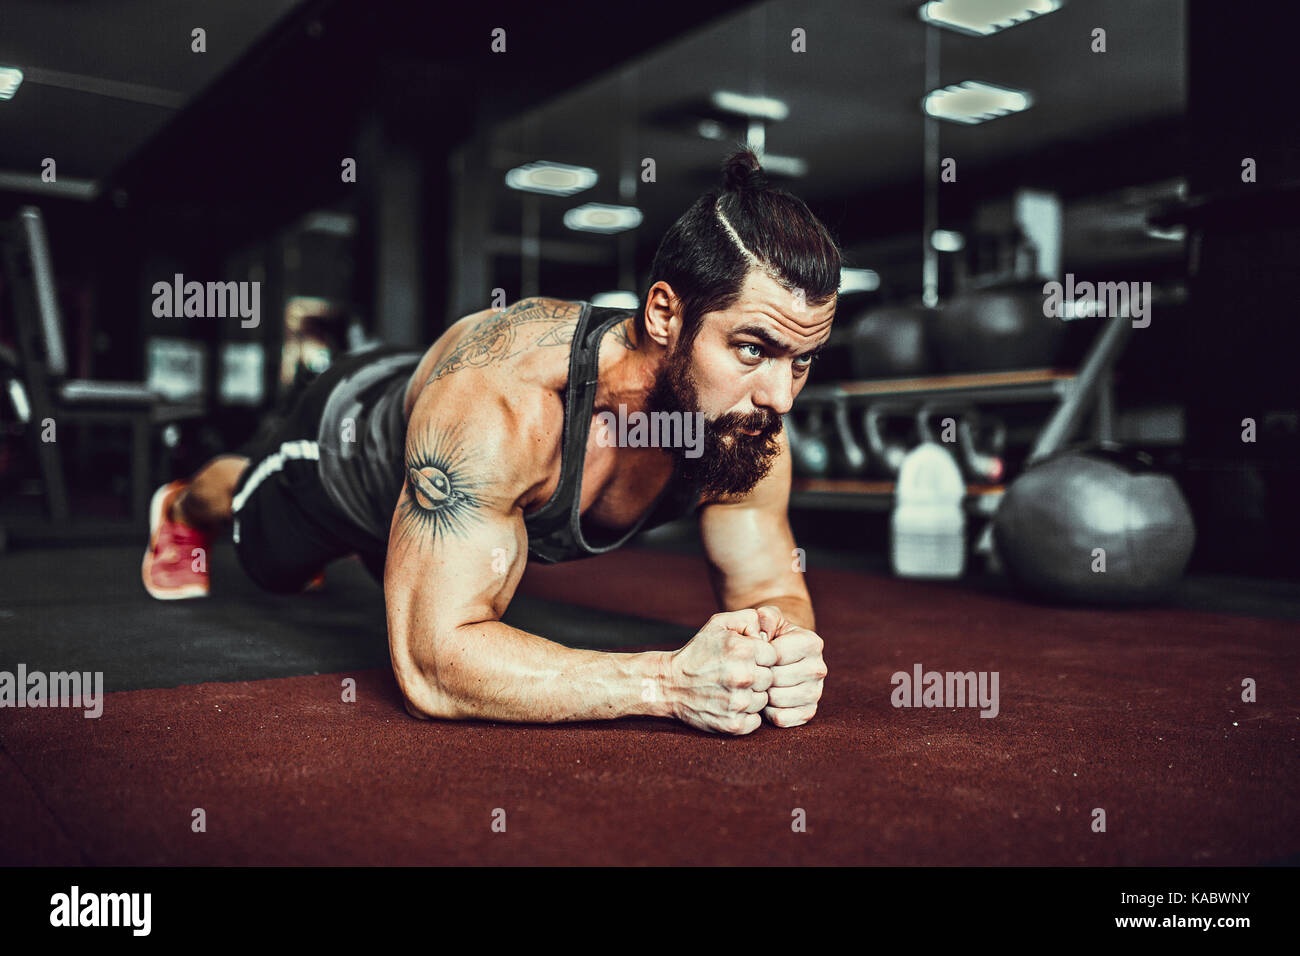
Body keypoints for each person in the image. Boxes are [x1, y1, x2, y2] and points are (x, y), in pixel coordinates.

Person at [142, 147, 837, 735]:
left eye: (801, 360)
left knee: (426, 559)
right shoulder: (509, 397)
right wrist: (668, 683)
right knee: (274, 559)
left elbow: (769, 586)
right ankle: (180, 505)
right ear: (664, 315)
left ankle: (412, 554)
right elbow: (433, 666)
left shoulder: (741, 424)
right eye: (753, 349)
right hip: (345, 454)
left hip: (451, 490)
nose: (780, 397)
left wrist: (785, 652)